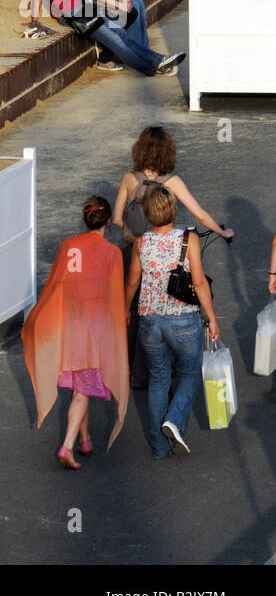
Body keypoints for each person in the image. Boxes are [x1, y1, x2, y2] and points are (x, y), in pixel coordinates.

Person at [113, 126, 233, 387]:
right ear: (167, 153)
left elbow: (117, 219)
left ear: (139, 150)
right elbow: (199, 214)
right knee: (163, 310)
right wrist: (223, 232)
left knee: (131, 310)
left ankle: (132, 371)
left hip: (131, 250)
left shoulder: (128, 178)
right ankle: (166, 371)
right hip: (163, 255)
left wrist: (137, 233)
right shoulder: (172, 182)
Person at [23, 196, 129, 469]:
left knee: (80, 383)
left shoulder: (68, 246)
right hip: (92, 328)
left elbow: (55, 285)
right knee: (83, 388)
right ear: (108, 221)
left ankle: (85, 439)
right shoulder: (112, 253)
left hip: (68, 324)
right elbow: (114, 296)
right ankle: (67, 445)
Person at [124, 186, 219, 458]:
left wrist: (125, 309)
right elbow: (199, 283)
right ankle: (174, 419)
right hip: (183, 320)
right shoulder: (188, 240)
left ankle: (159, 446)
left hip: (150, 321)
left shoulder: (141, 243)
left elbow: (132, 282)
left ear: (147, 213)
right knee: (190, 374)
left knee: (158, 380)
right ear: (172, 210)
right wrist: (211, 318)